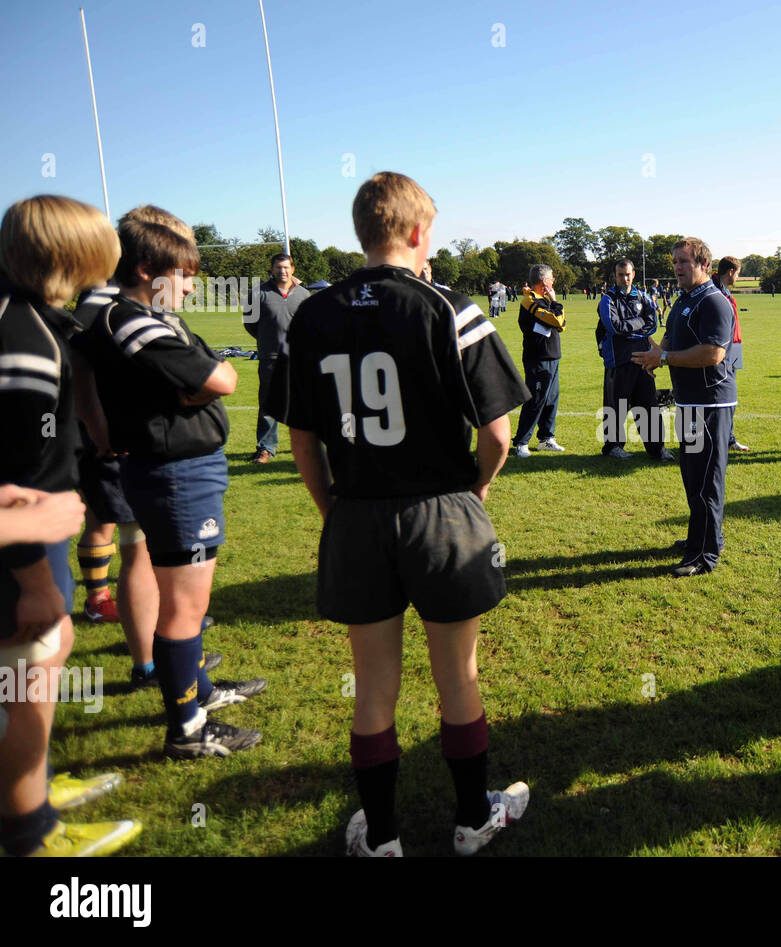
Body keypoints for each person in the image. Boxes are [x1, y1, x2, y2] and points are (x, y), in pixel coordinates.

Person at [286, 172, 531, 856]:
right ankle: (472, 816)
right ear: (419, 232)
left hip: (358, 515)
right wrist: (474, 491)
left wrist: (333, 506)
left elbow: (302, 440)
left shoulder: (313, 313)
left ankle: (384, 837)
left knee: (372, 688)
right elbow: (498, 433)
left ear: (363, 232)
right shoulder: (448, 306)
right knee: (459, 675)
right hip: (441, 513)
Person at [79, 211, 265, 760]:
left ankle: (201, 692)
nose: (190, 285)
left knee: (189, 596)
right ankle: (187, 727)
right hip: (174, 473)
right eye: (182, 275)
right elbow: (221, 377)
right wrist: (204, 382)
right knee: (184, 605)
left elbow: (207, 369)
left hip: (187, 469)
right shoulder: (130, 319)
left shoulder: (151, 316)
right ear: (146, 269)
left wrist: (200, 381)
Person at [0, 195, 142, 856]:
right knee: (28, 677)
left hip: (37, 535)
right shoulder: (22, 338)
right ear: (69, 257)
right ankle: (31, 830)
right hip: (21, 550)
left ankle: (33, 790)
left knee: (39, 668)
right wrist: (33, 575)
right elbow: (17, 470)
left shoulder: (31, 318)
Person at [632, 238, 736, 577]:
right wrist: (656, 354)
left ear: (704, 265)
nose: (677, 267)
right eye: (675, 261)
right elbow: (672, 339)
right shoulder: (684, 299)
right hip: (689, 403)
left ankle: (704, 556)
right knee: (692, 477)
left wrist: (663, 356)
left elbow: (713, 353)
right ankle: (703, 537)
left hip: (710, 404)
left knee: (707, 479)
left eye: (684, 261)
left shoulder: (714, 302)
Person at [598, 260, 672, 461]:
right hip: (619, 360)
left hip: (643, 359)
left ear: (634, 274)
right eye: (621, 274)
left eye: (628, 274)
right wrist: (638, 325)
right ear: (615, 275)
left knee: (648, 405)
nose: (625, 278)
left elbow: (653, 324)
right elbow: (613, 327)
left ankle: (657, 449)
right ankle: (613, 447)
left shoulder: (643, 296)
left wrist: (630, 328)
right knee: (616, 406)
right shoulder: (607, 299)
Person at [243, 253, 310, 464]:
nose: (283, 271)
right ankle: (265, 448)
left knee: (302, 403)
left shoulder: (304, 294)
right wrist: (267, 340)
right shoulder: (258, 293)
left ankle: (306, 446)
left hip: (298, 358)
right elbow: (250, 324)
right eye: (278, 267)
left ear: (293, 269)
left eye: (286, 267)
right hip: (270, 357)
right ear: (271, 269)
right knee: (269, 404)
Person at [512, 265, 566, 457]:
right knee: (536, 399)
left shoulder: (543, 300)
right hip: (538, 357)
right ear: (544, 282)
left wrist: (554, 306)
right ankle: (521, 442)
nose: (554, 281)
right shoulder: (530, 301)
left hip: (552, 355)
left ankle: (546, 438)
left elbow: (560, 324)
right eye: (552, 278)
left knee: (551, 399)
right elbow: (557, 321)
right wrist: (556, 302)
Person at [713, 256, 750, 453]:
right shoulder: (713, 291)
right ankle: (718, 439)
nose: (738, 277)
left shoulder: (726, 292)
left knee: (730, 396)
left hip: (734, 349)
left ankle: (729, 439)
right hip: (722, 350)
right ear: (730, 272)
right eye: (738, 273)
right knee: (720, 397)